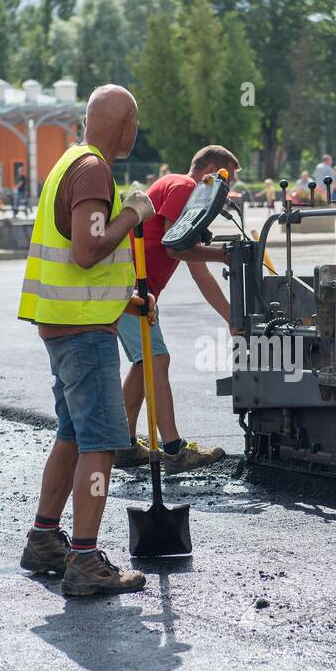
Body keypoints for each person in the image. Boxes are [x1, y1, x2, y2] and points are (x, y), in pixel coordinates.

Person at [15, 84, 154, 597]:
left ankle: (45, 539)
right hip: (83, 335)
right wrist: (133, 213)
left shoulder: (69, 161)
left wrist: (126, 300)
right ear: (127, 125)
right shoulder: (94, 169)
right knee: (102, 444)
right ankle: (85, 557)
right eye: (135, 122)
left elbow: (82, 265)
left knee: (72, 434)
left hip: (63, 325)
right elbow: (88, 249)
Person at [114, 145, 238, 474]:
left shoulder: (178, 187)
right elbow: (175, 245)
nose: (226, 193)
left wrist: (230, 318)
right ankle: (173, 450)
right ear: (210, 170)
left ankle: (123, 445)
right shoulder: (185, 187)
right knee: (157, 359)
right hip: (128, 286)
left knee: (145, 364)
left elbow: (198, 269)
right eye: (226, 181)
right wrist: (225, 254)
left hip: (131, 286)